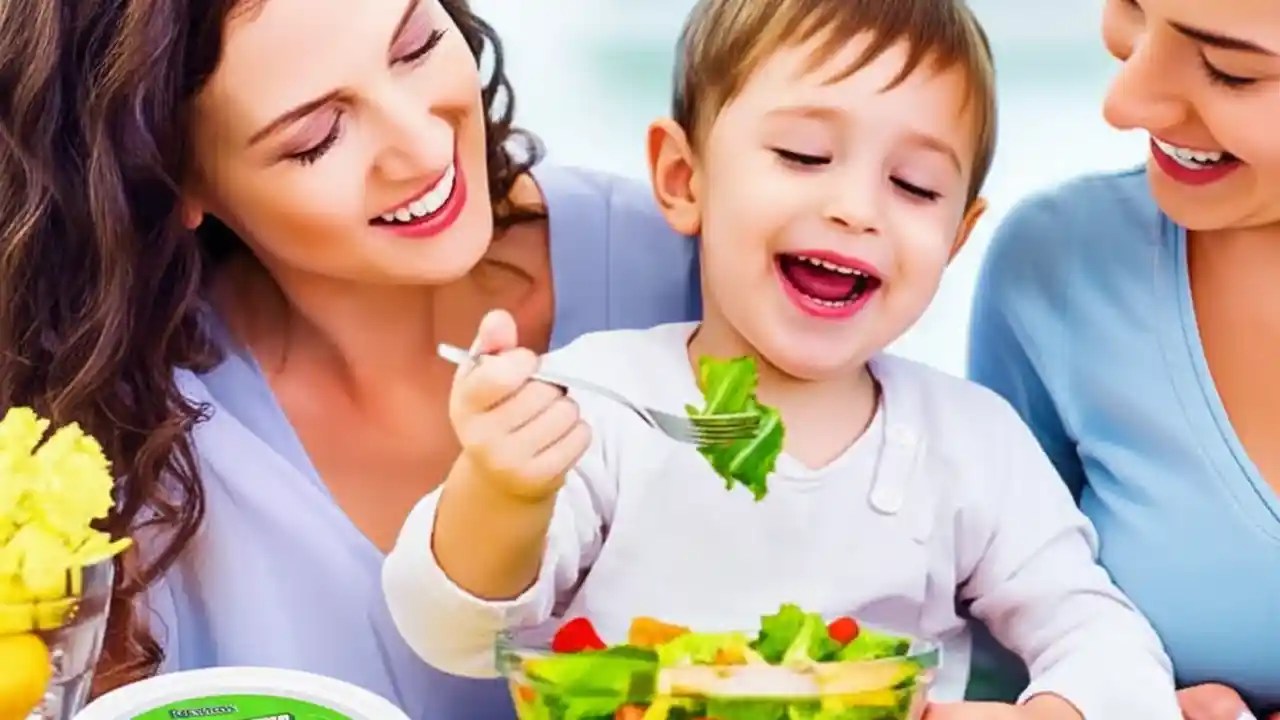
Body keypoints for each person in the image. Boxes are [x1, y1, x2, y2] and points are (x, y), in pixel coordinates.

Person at [382, 1, 1183, 717]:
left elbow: (1105, 638)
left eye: (914, 185)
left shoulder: (970, 445)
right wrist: (502, 491)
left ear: (958, 238)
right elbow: (448, 631)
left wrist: (1053, 714)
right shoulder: (605, 404)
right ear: (682, 177)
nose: (855, 209)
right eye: (803, 155)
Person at [0, 0, 700, 717]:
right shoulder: (118, 447)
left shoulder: (706, 278)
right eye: (317, 137)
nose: (424, 148)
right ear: (175, 178)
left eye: (416, 46)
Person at [967, 0, 1280, 718]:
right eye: (1134, 7)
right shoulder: (1058, 267)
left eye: (1230, 71)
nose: (1124, 102)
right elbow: (991, 646)